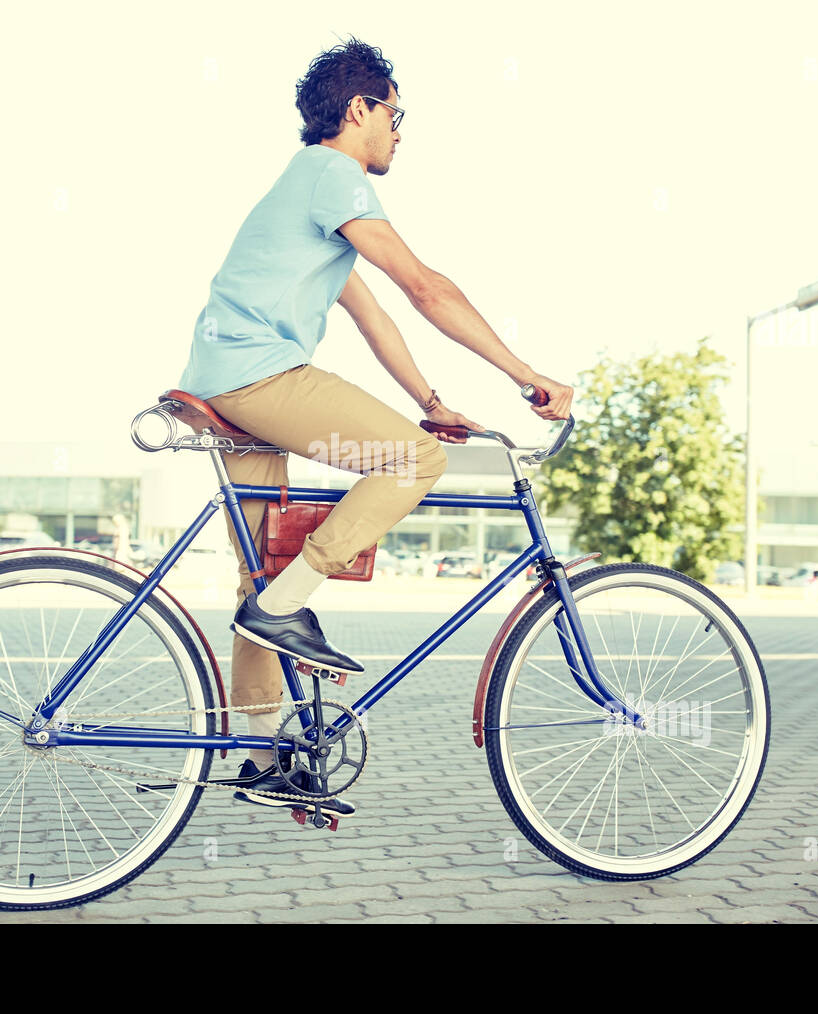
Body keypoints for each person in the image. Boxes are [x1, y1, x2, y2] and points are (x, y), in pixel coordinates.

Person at [176, 37, 574, 815]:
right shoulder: (333, 174)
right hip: (258, 379)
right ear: (358, 109)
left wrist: (429, 396)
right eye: (396, 113)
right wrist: (529, 376)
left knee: (263, 575)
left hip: (223, 383)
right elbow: (425, 288)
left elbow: (375, 315)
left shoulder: (306, 193)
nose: (401, 130)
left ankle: (262, 758)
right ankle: (286, 606)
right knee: (412, 463)